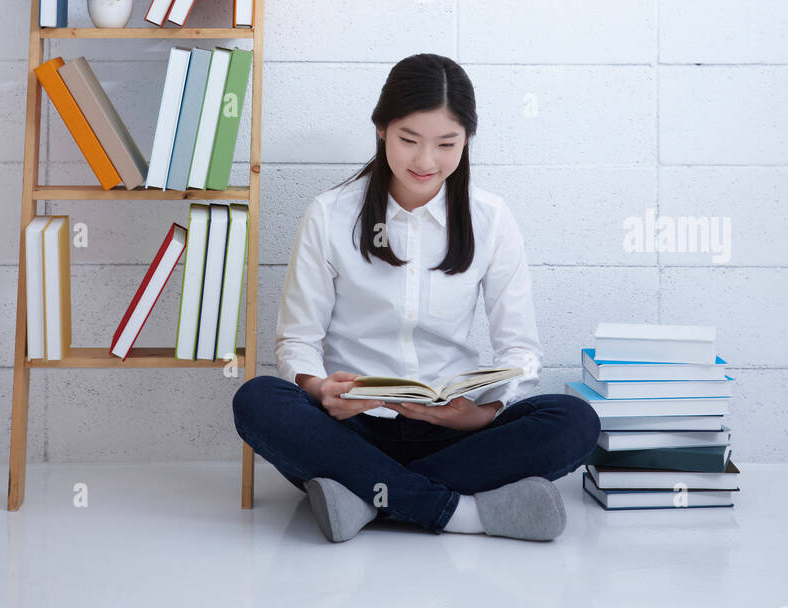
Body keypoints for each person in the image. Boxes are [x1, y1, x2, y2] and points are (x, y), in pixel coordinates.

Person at [232, 53, 600, 543]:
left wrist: (482, 413)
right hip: (351, 428)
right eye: (409, 140)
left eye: (446, 144)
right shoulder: (329, 214)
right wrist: (322, 390)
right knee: (258, 401)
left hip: (454, 432)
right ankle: (463, 513)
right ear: (382, 128)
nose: (425, 162)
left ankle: (364, 498)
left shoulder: (491, 218)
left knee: (573, 420)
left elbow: (520, 352)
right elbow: (297, 341)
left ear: (466, 139)